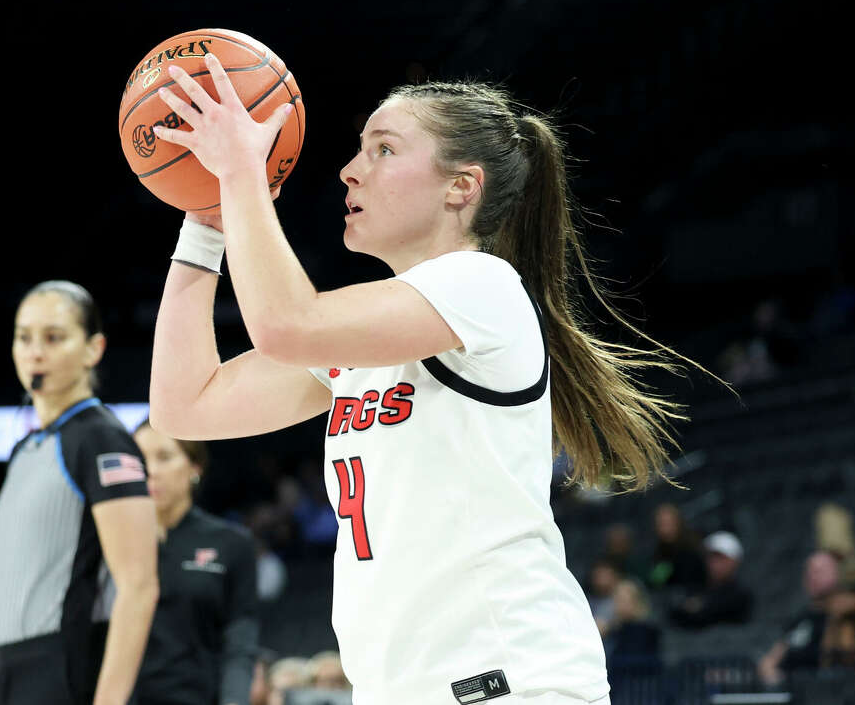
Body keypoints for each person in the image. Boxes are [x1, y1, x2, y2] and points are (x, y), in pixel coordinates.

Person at [149, 64, 708, 704]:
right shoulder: (363, 332)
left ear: (461, 188)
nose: (349, 171)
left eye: (383, 149)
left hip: (506, 681)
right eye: (359, 150)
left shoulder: (482, 285)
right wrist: (205, 220)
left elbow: (284, 323)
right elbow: (182, 405)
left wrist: (241, 175)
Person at [0, 281, 159, 705]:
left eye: (54, 337)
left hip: (64, 669)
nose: (34, 352)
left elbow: (139, 585)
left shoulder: (100, 438)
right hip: (11, 671)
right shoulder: (27, 448)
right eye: (23, 337)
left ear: (92, 349)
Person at [132, 419, 259, 705]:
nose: (150, 471)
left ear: (194, 468)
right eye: (139, 459)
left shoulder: (231, 544)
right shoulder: (109, 543)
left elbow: (240, 643)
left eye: (164, 457)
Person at [757, 551, 841, 686]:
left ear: (836, 575)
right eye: (809, 572)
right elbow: (770, 660)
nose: (812, 576)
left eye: (819, 571)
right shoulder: (803, 618)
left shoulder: (844, 618)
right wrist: (772, 673)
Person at [669, 531, 753, 628]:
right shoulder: (696, 586)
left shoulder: (741, 593)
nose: (714, 563)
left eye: (721, 557)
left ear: (734, 561)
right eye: (711, 556)